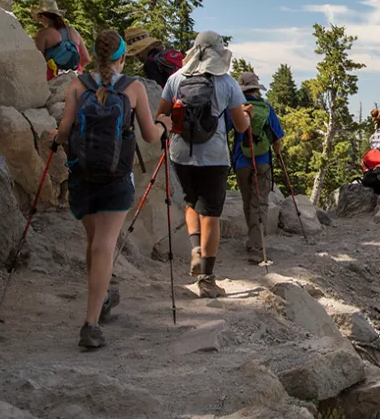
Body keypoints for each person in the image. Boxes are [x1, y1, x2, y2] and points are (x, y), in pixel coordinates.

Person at [53, 30, 162, 349]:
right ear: (123, 57)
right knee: (104, 244)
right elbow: (150, 135)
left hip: (82, 174)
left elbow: (64, 130)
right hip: (116, 176)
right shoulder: (133, 88)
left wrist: (55, 140)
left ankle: (100, 302)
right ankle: (90, 322)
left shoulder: (77, 85)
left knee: (94, 242)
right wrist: (165, 125)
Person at [156, 30, 251, 298]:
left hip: (181, 153)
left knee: (191, 203)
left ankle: (196, 248)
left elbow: (160, 116)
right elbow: (242, 126)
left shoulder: (175, 79)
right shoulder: (227, 83)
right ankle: (207, 280)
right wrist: (242, 113)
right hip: (214, 156)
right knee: (211, 213)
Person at [232, 71, 285, 263]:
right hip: (262, 162)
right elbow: (277, 139)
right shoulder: (267, 108)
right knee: (260, 203)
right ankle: (257, 246)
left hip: (241, 161)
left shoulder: (236, 108)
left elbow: (228, 129)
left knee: (248, 202)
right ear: (256, 88)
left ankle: (253, 240)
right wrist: (278, 154)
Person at [32, 0, 90, 80]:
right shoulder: (73, 31)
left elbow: (36, 62)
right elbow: (86, 59)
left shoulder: (43, 34)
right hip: (76, 80)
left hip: (53, 80)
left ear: (43, 17)